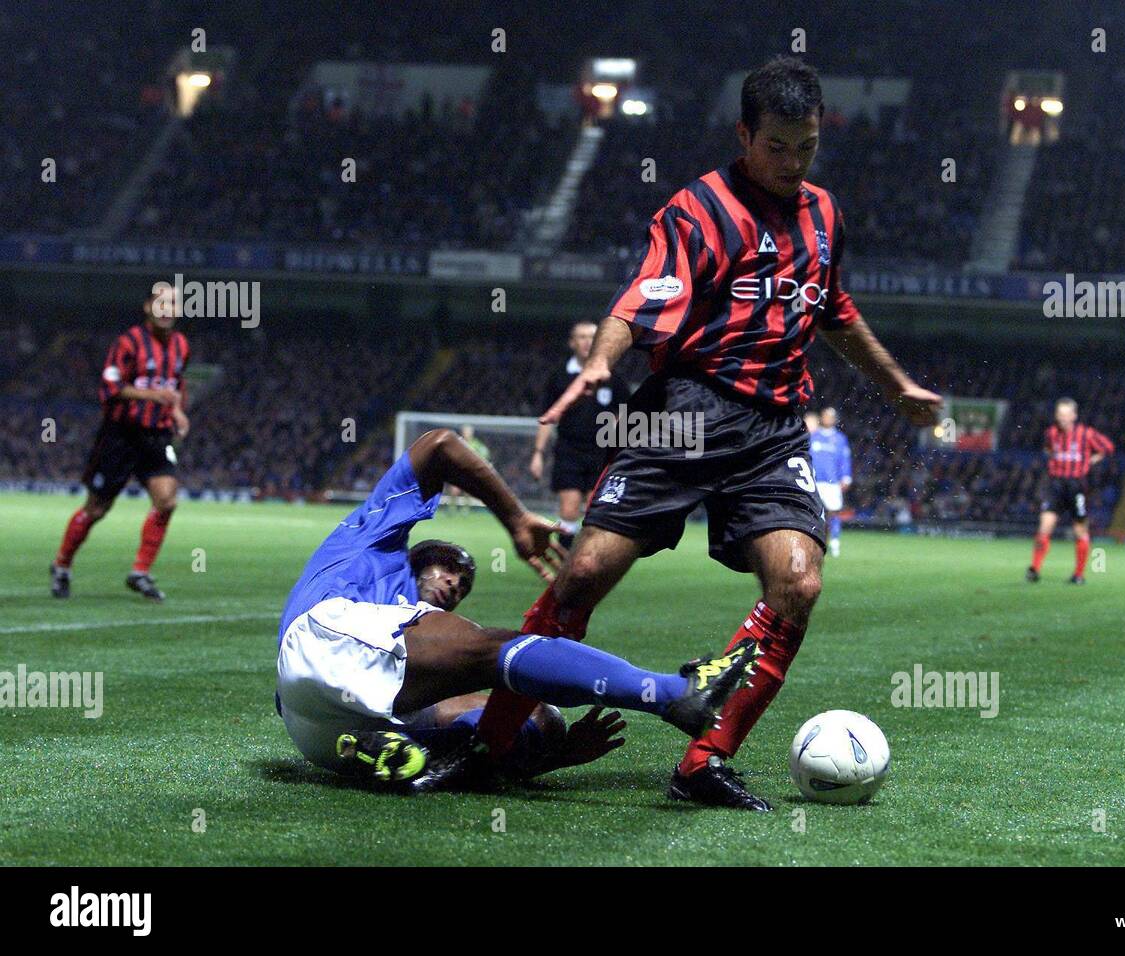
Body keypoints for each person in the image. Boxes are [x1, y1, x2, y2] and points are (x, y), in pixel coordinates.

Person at [467, 57, 941, 810]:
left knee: (799, 583)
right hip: (682, 412)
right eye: (777, 146)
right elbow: (635, 301)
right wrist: (597, 367)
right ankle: (485, 748)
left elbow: (833, 308)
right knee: (585, 574)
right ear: (744, 135)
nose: (792, 163)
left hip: (774, 428)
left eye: (807, 147)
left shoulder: (824, 214)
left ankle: (703, 760)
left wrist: (897, 385)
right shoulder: (698, 210)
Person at [277, 427, 759, 790]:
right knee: (498, 649)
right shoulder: (375, 540)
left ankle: (402, 756)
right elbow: (441, 445)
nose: (453, 582)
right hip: (321, 644)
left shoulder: (407, 645)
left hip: (332, 734)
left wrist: (555, 757)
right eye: (446, 568)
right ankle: (674, 693)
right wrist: (515, 518)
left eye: (463, 582)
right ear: (416, 557)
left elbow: (498, 722)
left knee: (541, 717)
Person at [50, 284, 190, 601]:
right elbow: (110, 386)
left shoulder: (181, 345)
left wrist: (178, 411)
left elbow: (176, 385)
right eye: (161, 303)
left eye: (173, 304)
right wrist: (152, 396)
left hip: (157, 435)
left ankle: (139, 572)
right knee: (97, 508)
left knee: (167, 500)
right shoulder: (129, 343)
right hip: (121, 435)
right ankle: (61, 565)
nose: (167, 309)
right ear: (147, 307)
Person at [529, 321, 631, 550]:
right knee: (568, 510)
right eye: (582, 337)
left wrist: (618, 440)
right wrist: (538, 453)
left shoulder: (613, 377)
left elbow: (624, 412)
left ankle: (588, 561)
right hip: (569, 450)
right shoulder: (558, 377)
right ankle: (564, 562)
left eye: (592, 337)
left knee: (596, 510)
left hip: (601, 452)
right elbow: (548, 418)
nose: (587, 342)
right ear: (572, 342)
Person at [1026, 398, 1114, 584]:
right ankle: (1034, 568)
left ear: (1074, 416)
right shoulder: (1051, 433)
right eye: (1059, 415)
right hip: (1056, 484)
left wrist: (1091, 460)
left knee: (1080, 529)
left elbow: (1108, 447)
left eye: (1066, 415)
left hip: (1076, 486)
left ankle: (1079, 574)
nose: (1062, 418)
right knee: (1045, 526)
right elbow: (1048, 449)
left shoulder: (1086, 434)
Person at [808, 407, 852, 557]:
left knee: (834, 513)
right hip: (815, 481)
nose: (828, 419)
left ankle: (834, 541)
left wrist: (846, 477)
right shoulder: (813, 436)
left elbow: (844, 460)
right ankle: (816, 540)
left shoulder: (839, 439)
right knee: (815, 513)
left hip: (832, 482)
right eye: (826, 416)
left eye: (831, 417)